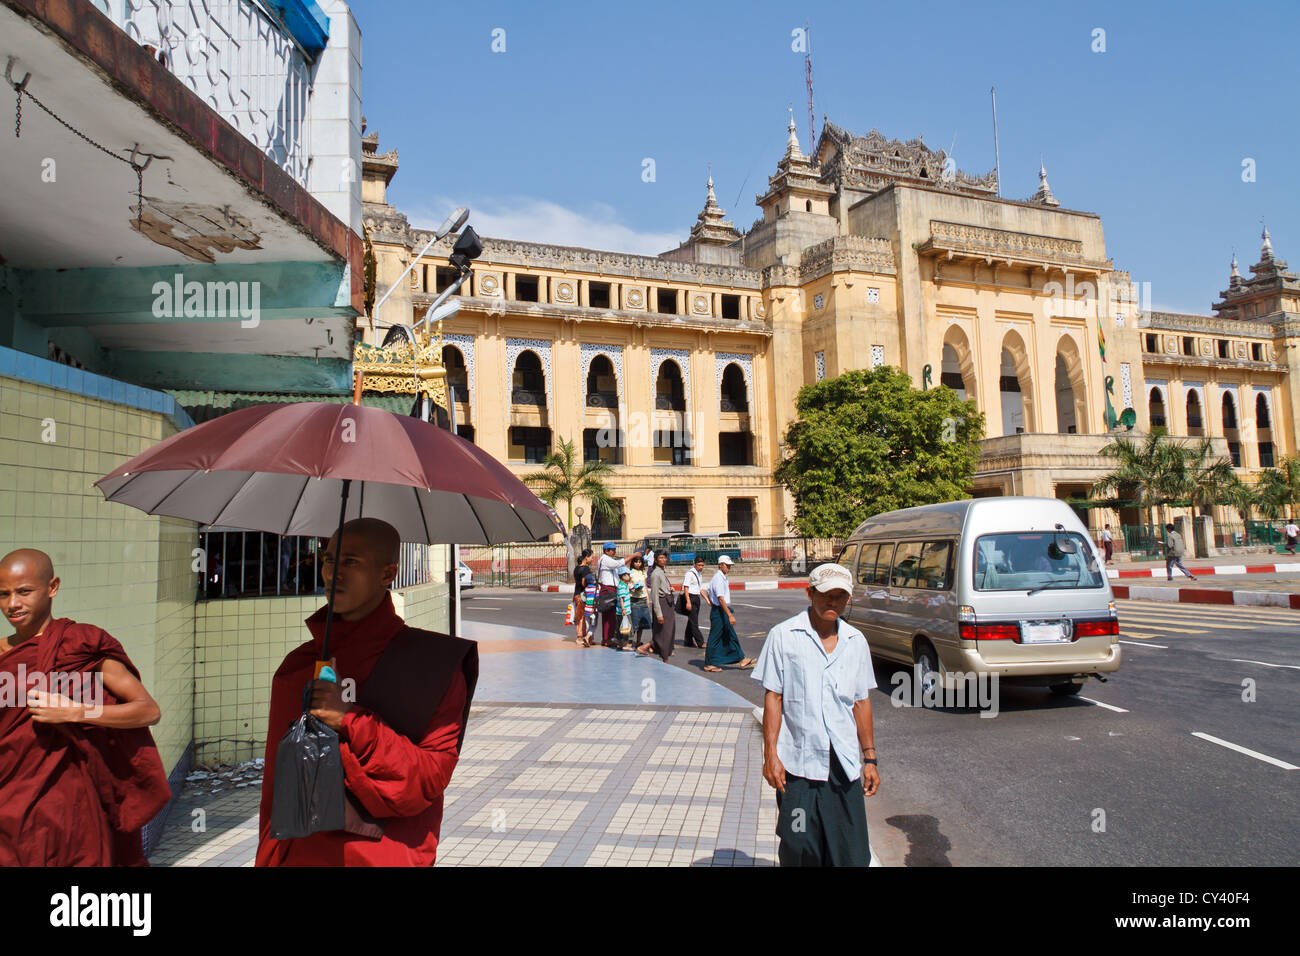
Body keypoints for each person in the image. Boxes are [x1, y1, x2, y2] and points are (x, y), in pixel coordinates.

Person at [257, 518, 478, 866]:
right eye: (329, 559)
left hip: (379, 856)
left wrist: (350, 720)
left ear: (388, 573)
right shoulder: (298, 666)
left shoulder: (430, 666)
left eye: (351, 562)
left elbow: (429, 777)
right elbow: (276, 792)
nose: (333, 573)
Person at [0, 548, 170, 866]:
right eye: (4, 594)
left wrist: (76, 712)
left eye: (24, 592)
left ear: (52, 587)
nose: (13, 604)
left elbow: (148, 710)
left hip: (72, 806)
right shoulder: (2, 658)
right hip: (9, 805)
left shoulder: (81, 646)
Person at [752, 563, 880, 867]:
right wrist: (771, 754)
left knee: (850, 851)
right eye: (826, 595)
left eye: (841, 596)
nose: (833, 602)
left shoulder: (855, 642)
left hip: (842, 768)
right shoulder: (784, 636)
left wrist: (871, 759)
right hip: (798, 768)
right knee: (799, 845)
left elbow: (861, 702)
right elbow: (774, 697)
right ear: (810, 593)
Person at [702, 555, 755, 672]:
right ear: (720, 565)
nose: (728, 568)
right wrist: (729, 615)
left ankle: (741, 659)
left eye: (730, 566)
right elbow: (720, 598)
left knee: (731, 635)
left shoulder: (723, 577)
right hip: (719, 611)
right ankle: (708, 664)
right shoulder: (718, 578)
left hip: (721, 609)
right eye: (727, 565)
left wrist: (710, 600)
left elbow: (706, 590)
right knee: (714, 638)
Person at [596, 541, 643, 647]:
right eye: (612, 550)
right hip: (609, 589)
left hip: (609, 588)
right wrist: (634, 555)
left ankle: (607, 638)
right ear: (606, 551)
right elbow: (619, 564)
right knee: (610, 616)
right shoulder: (605, 559)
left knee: (609, 616)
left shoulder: (605, 559)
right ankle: (608, 638)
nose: (614, 552)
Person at [639, 551, 676, 660]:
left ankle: (655, 649)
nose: (663, 560)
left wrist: (669, 589)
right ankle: (663, 655)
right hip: (662, 604)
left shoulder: (661, 572)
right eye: (661, 558)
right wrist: (658, 613)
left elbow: (662, 588)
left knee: (668, 629)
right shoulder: (655, 574)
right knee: (664, 631)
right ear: (656, 560)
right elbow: (655, 595)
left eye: (665, 558)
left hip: (668, 603)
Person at [680, 556, 706, 648]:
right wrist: (688, 602)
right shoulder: (689, 574)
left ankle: (688, 641)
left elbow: (700, 588)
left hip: (696, 598)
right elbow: (685, 588)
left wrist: (707, 600)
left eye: (702, 565)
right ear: (694, 564)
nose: (701, 567)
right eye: (699, 565)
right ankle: (700, 642)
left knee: (691, 620)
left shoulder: (699, 574)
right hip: (690, 597)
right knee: (694, 622)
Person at [627, 555, 652, 648]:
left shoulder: (643, 572)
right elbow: (627, 584)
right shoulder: (630, 573)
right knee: (633, 621)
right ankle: (630, 641)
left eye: (639, 562)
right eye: (636, 562)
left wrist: (648, 599)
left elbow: (645, 585)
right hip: (633, 598)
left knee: (642, 622)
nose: (638, 564)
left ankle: (638, 641)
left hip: (643, 598)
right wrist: (633, 589)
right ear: (633, 563)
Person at [572, 548, 595, 646]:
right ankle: (581, 637)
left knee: (579, 616)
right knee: (584, 617)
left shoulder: (576, 568)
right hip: (583, 595)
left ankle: (583, 637)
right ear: (586, 557)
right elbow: (583, 582)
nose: (592, 559)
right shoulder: (585, 568)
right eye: (591, 557)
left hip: (576, 594)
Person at [615, 568, 634, 649]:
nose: (629, 576)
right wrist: (623, 609)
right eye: (627, 575)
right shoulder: (622, 586)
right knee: (627, 628)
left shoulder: (623, 585)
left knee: (620, 627)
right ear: (622, 576)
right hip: (624, 611)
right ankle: (626, 644)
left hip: (619, 611)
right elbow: (621, 598)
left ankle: (619, 643)